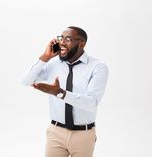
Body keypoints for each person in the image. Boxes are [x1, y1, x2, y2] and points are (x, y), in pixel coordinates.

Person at [22, 26, 108, 157]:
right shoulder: (53, 64)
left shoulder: (98, 67)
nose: (62, 42)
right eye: (61, 38)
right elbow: (26, 81)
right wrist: (45, 57)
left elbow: (91, 102)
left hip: (83, 135)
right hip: (56, 132)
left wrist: (60, 93)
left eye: (67, 39)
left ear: (81, 43)